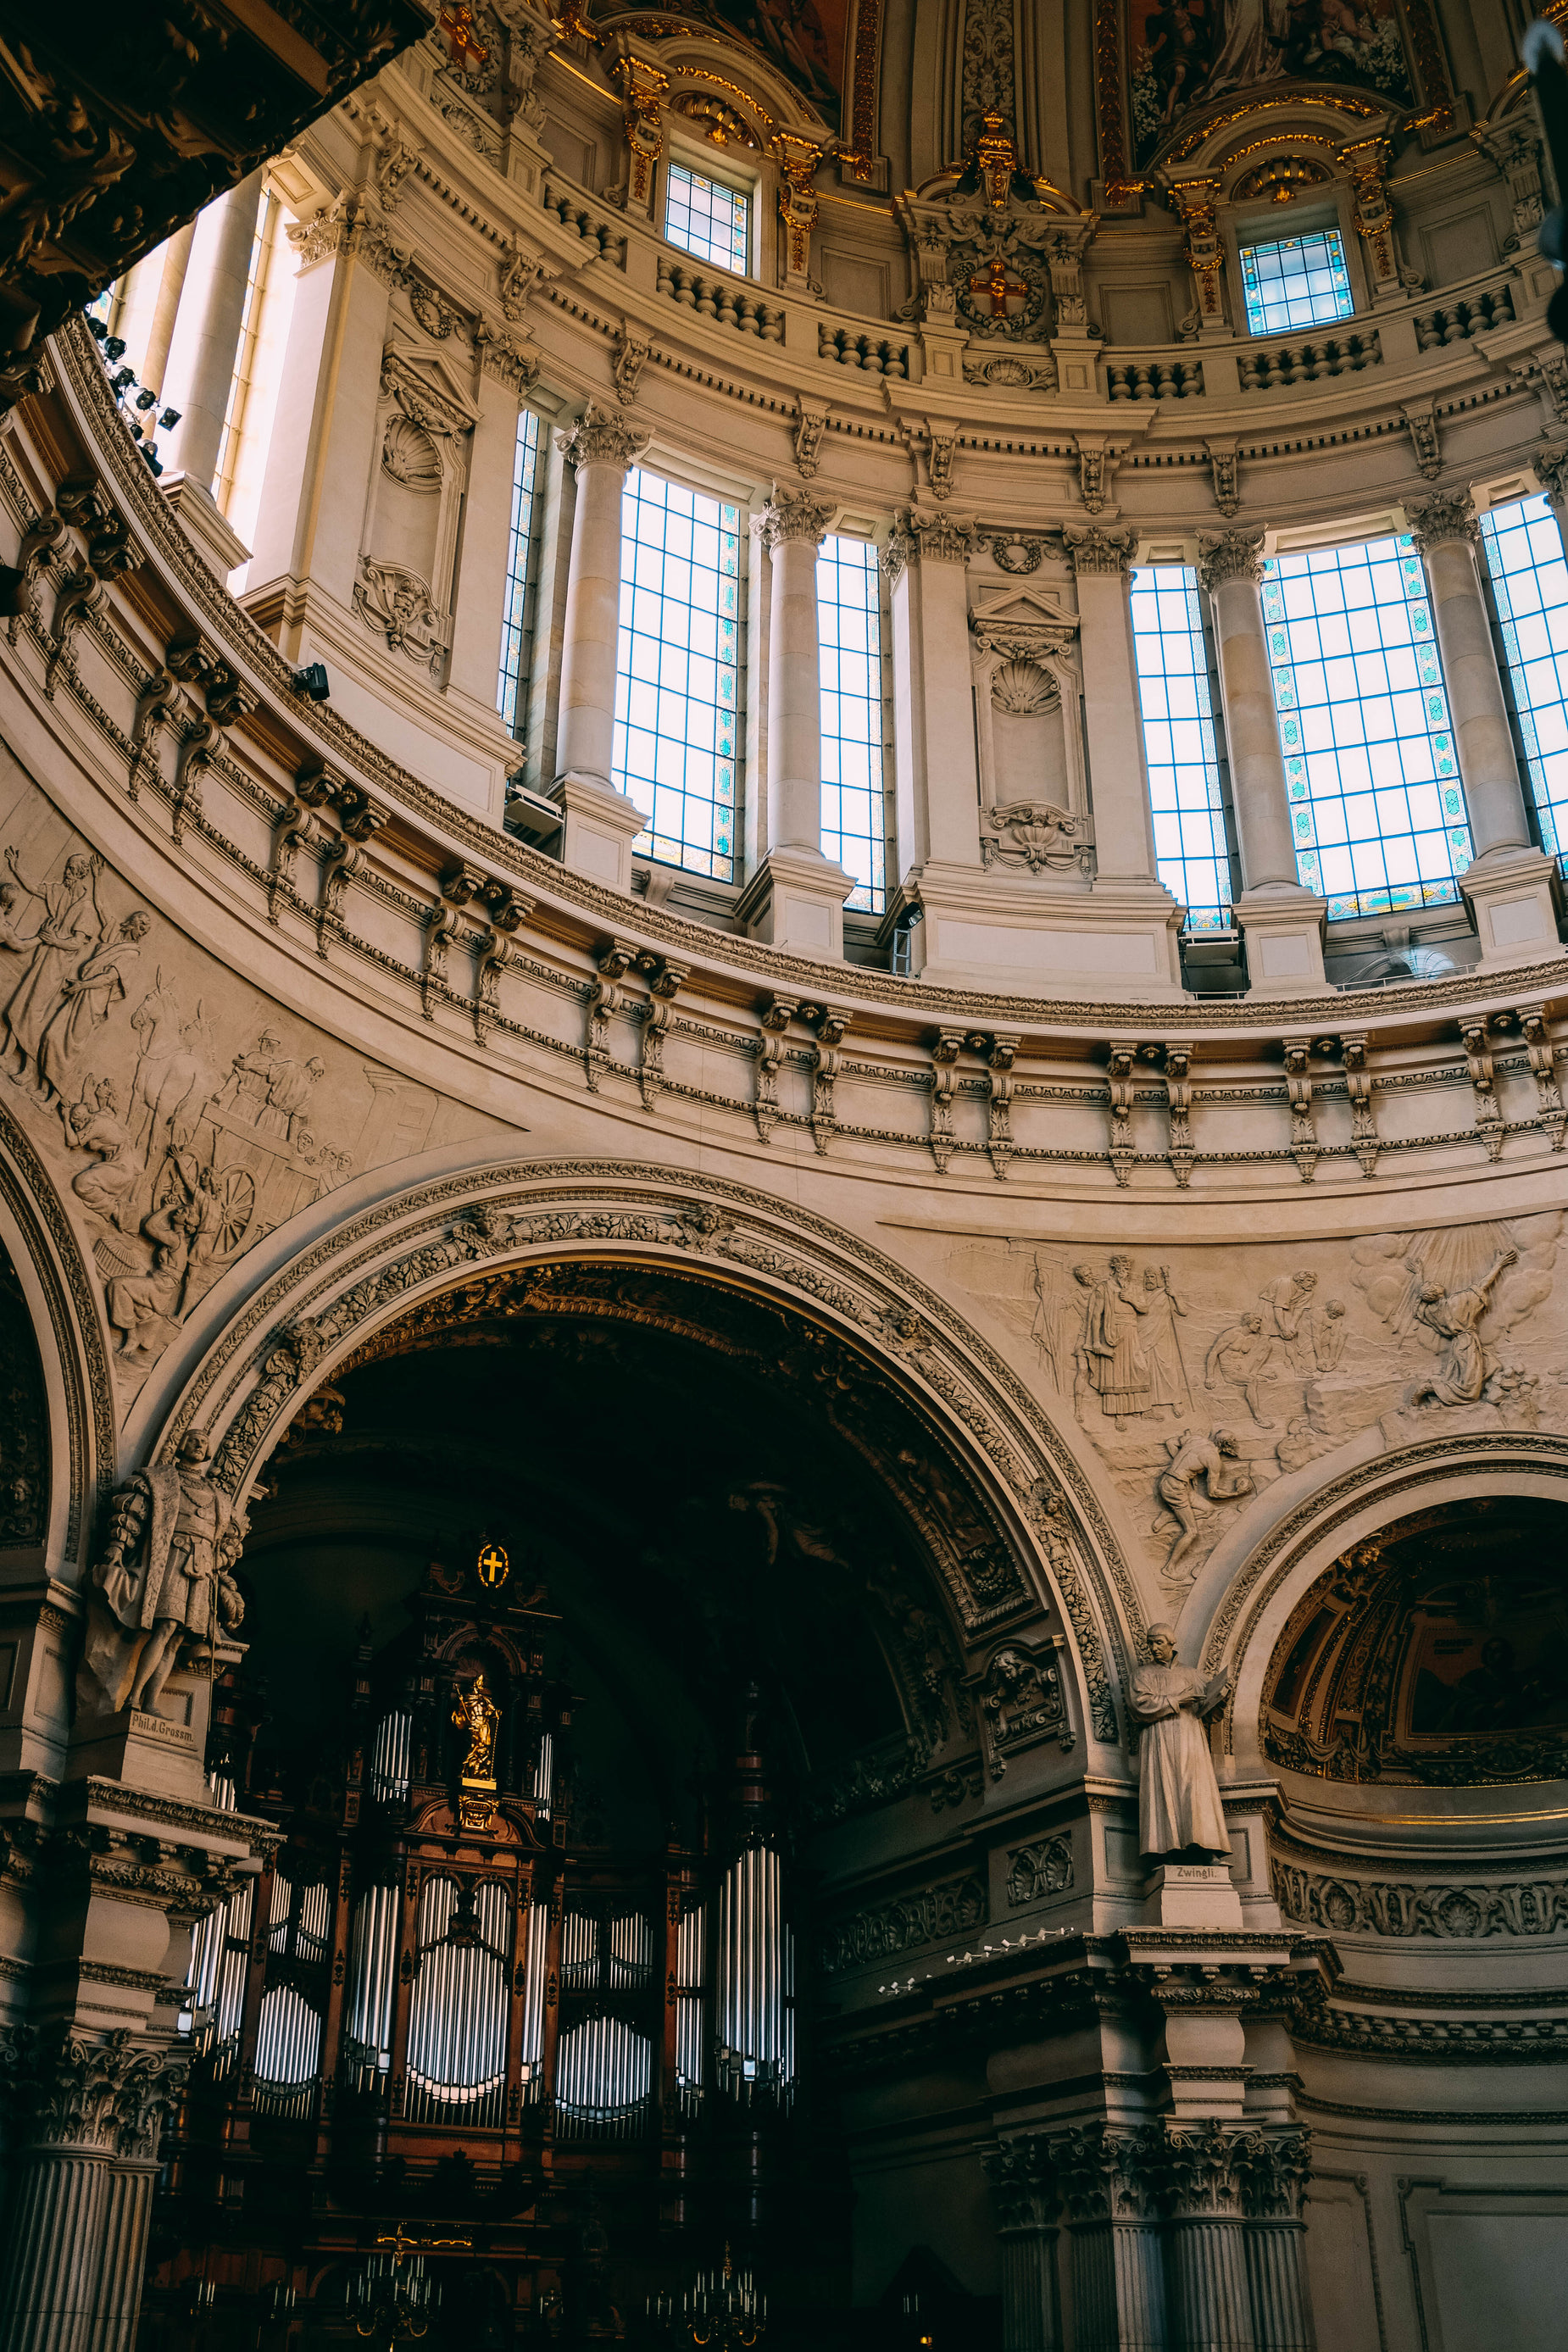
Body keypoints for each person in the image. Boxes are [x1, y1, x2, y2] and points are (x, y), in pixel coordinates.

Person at [80, 1426, 245, 1718]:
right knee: (166, 1627)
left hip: (201, 1570)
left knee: (178, 1638)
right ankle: (133, 1698)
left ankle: (151, 1702)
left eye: (203, 1442)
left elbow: (228, 1543)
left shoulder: (217, 1496)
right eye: (192, 1440)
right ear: (180, 1446)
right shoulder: (158, 1480)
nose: (197, 1444)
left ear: (208, 1452)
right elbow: (132, 1514)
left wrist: (215, 1562)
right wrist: (118, 1548)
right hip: (169, 1561)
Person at [1128, 1622, 1232, 1858]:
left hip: (1190, 1738)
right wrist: (1177, 1701)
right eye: (1150, 1643)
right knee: (1163, 1788)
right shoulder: (1142, 1675)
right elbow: (1138, 1706)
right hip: (1159, 1739)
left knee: (1195, 1790)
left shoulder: (1192, 1674)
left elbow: (1209, 1711)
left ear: (1171, 1643)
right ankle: (1166, 1851)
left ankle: (1204, 1848)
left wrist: (1222, 1697)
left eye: (1158, 1642)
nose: (1153, 1648)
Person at [1, 846, 103, 1077]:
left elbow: (78, 942)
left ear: (79, 873)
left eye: (69, 870)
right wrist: (16, 867)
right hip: (44, 957)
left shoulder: (86, 907)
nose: (65, 873)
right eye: (67, 868)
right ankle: (6, 1053)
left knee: (35, 1012)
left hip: (57, 965)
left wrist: (56, 939)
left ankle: (28, 1068)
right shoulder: (61, 892)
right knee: (21, 1004)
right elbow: (35, 886)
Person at [1406, 1248, 1515, 1407]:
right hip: (1466, 1343)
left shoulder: (1431, 1311)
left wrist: (1418, 1275)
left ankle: (1483, 1389)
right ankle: (1429, 1388)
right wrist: (1498, 1265)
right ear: (1437, 1294)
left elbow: (1420, 1299)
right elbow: (1482, 1285)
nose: (1437, 1283)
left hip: (1460, 1344)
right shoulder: (1455, 1304)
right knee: (1469, 1391)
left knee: (1492, 1365)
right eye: (1434, 1285)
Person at [1158, 1426, 1253, 1575]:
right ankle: (1169, 1568)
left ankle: (1170, 1515)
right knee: (1191, 1532)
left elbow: (1171, 1442)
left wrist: (1180, 1467)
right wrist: (1236, 1494)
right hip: (1175, 1489)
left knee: (1209, 1509)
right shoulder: (1213, 1459)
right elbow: (1213, 1492)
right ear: (1226, 1446)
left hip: (1173, 1482)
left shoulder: (1197, 1439)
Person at [1082, 1254, 1152, 1430]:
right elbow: (1096, 1316)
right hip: (1112, 1333)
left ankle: (1139, 1408)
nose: (1125, 1273)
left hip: (1131, 1332)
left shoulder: (1135, 1289)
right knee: (1117, 1375)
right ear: (1114, 1270)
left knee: (1137, 1368)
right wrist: (1096, 1342)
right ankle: (1119, 1415)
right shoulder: (1104, 1288)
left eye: (1128, 1269)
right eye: (1122, 1269)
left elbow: (1144, 1308)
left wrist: (1130, 1299)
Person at [1204, 1311, 1277, 1426]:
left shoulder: (1252, 1338)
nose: (1259, 1326)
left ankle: (1254, 1373)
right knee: (1252, 1382)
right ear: (1249, 1323)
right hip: (1230, 1371)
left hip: (1243, 1367)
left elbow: (1247, 1356)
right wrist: (1210, 1377)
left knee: (1266, 1345)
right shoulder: (1232, 1334)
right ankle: (1258, 1417)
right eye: (1257, 1323)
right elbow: (1214, 1353)